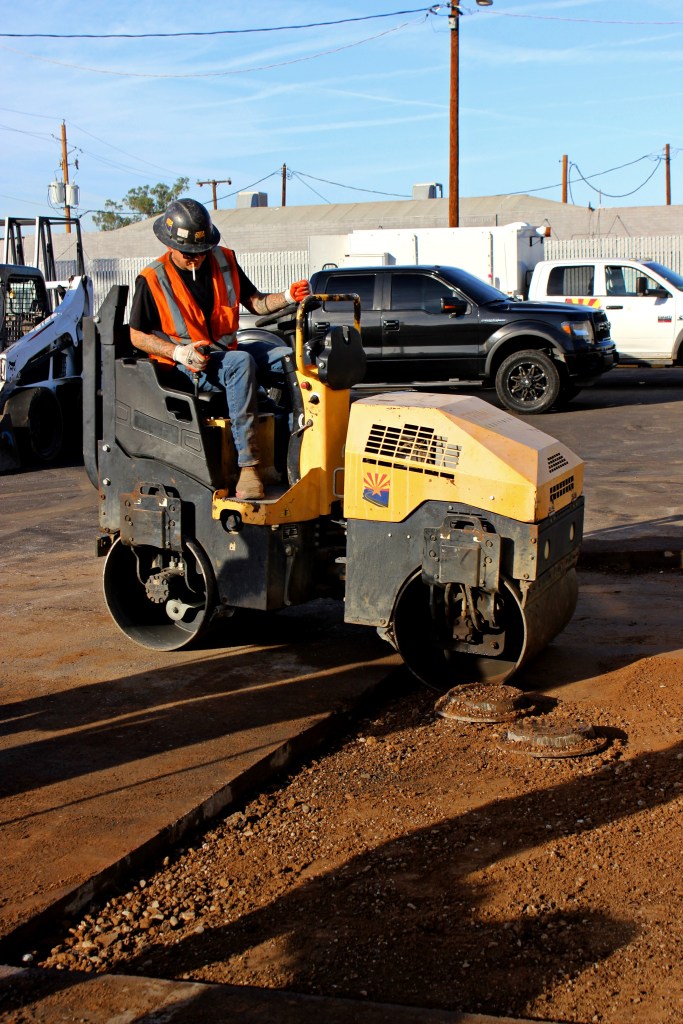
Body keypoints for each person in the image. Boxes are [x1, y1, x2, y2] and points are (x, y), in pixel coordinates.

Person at [128, 197, 309, 500]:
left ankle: (299, 454)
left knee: (292, 360)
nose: (195, 259)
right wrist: (178, 352)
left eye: (201, 252)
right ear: (170, 243)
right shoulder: (152, 279)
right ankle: (248, 467)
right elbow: (136, 335)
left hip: (227, 356)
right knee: (240, 363)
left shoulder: (224, 261)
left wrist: (288, 297)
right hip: (189, 367)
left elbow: (257, 303)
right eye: (188, 253)